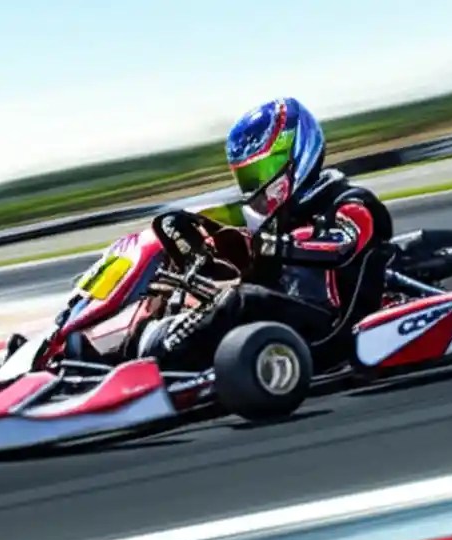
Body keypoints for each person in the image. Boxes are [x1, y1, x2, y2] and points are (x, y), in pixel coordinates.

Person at [146, 96, 394, 369]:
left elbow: (342, 245)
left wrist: (273, 245)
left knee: (240, 300)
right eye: (247, 178)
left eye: (262, 172)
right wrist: (188, 229)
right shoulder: (281, 216)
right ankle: (125, 348)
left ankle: (160, 360)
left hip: (330, 329)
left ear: (296, 155)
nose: (256, 187)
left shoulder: (348, 201)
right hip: (283, 321)